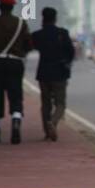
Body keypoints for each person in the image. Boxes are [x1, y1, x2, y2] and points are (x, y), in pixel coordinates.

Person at [0, 0, 33, 144]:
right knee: (16, 95)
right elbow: (29, 45)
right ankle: (16, 122)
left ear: (0, 7)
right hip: (15, 63)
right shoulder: (21, 23)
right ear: (12, 8)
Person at [30, 7, 75, 141]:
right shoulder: (63, 33)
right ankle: (53, 122)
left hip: (44, 73)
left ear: (42, 18)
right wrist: (66, 62)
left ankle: (47, 132)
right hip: (60, 73)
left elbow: (31, 47)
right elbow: (71, 52)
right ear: (55, 18)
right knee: (60, 103)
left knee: (45, 103)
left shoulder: (37, 35)